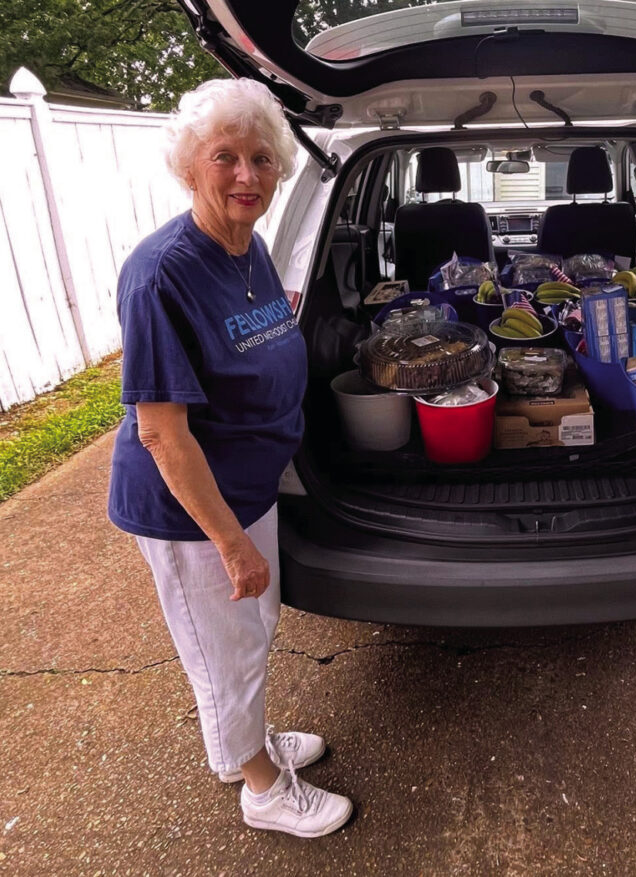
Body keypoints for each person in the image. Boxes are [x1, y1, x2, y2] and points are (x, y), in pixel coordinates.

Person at [108, 79, 353, 838]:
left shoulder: (248, 250)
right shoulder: (161, 274)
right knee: (222, 653)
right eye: (225, 158)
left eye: (260, 159)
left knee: (251, 636)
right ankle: (260, 787)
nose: (246, 176)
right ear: (190, 166)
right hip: (192, 511)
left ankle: (253, 742)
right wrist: (229, 541)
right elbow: (161, 432)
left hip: (248, 488)